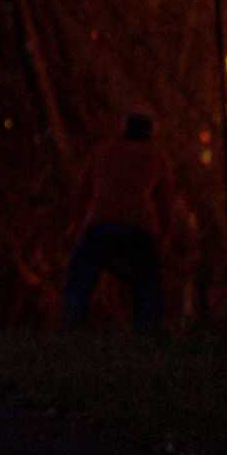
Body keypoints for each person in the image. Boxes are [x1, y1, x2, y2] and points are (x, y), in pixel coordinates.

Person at [61, 110, 165, 331]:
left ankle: (72, 323)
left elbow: (83, 192)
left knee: (80, 278)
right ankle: (146, 329)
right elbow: (164, 199)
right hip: (139, 226)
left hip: (100, 223)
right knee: (147, 283)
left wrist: (77, 224)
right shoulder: (157, 157)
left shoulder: (103, 153)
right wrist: (162, 235)